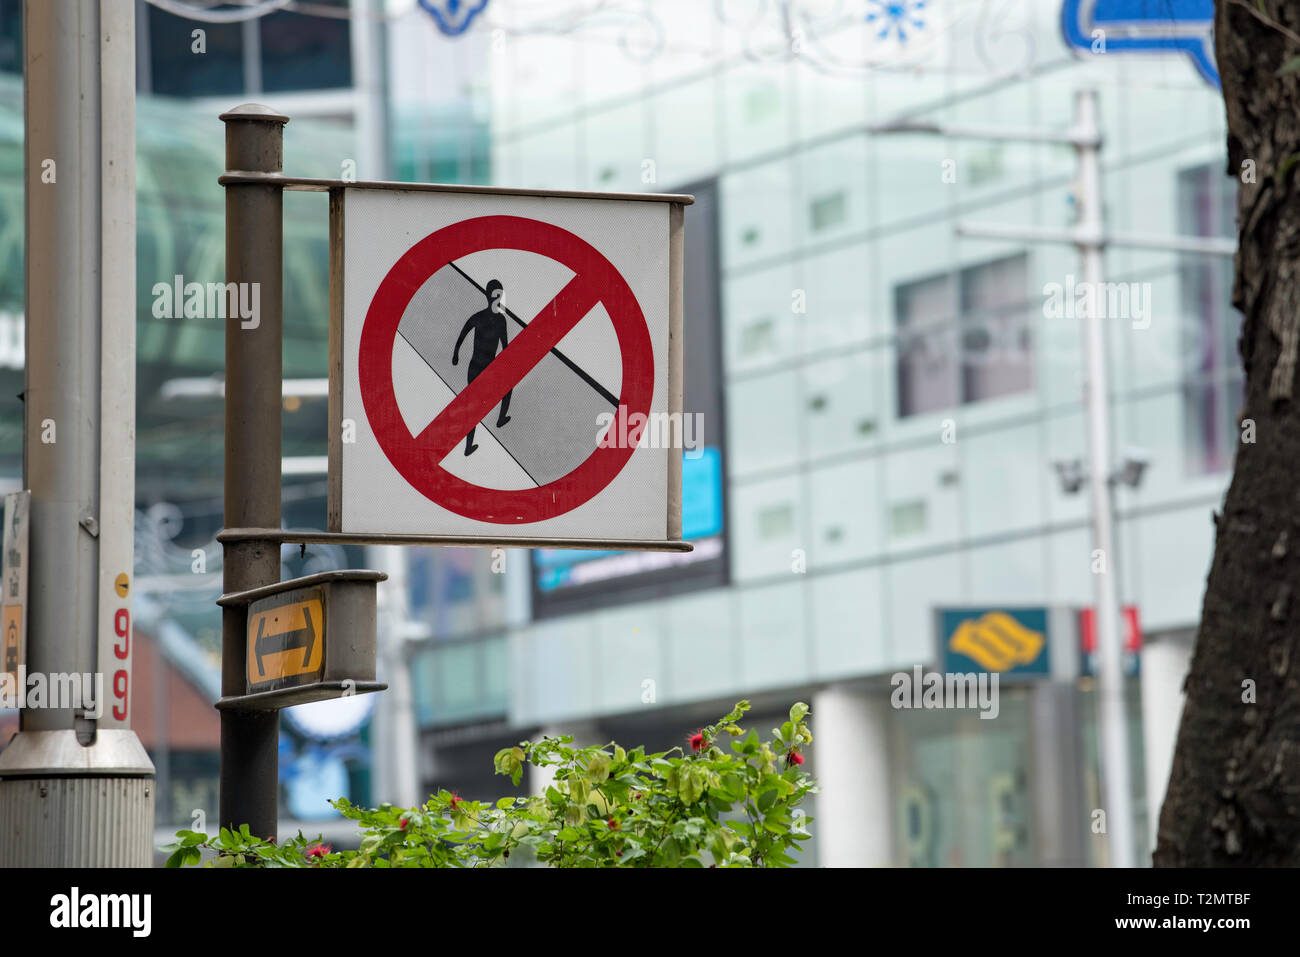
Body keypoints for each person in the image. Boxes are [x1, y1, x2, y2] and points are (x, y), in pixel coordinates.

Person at [452, 279, 512, 455]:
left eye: (499, 295)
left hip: (481, 368)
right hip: (481, 368)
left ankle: (472, 443)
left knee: (474, 407)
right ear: (489, 295)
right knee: (474, 408)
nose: (498, 298)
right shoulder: (497, 320)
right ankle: (471, 443)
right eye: (496, 295)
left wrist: (456, 354)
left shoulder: (492, 319)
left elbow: (505, 347)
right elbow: (463, 334)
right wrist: (456, 353)